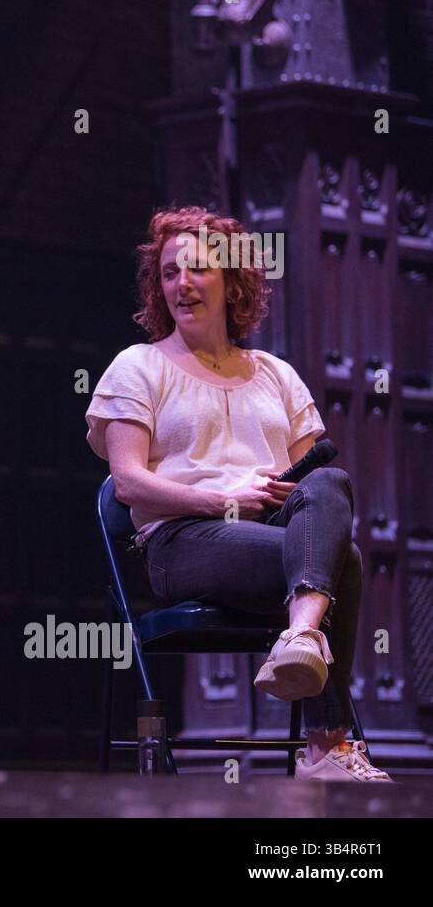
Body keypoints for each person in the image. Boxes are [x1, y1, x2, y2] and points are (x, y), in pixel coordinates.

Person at [84, 205, 391, 782]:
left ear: (233, 280)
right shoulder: (137, 367)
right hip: (182, 541)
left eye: (198, 269)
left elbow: (317, 485)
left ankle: (298, 637)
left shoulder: (275, 373)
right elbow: (126, 483)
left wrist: (277, 492)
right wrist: (227, 500)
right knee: (341, 562)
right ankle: (328, 747)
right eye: (170, 272)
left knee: (330, 483)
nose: (182, 283)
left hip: (273, 542)